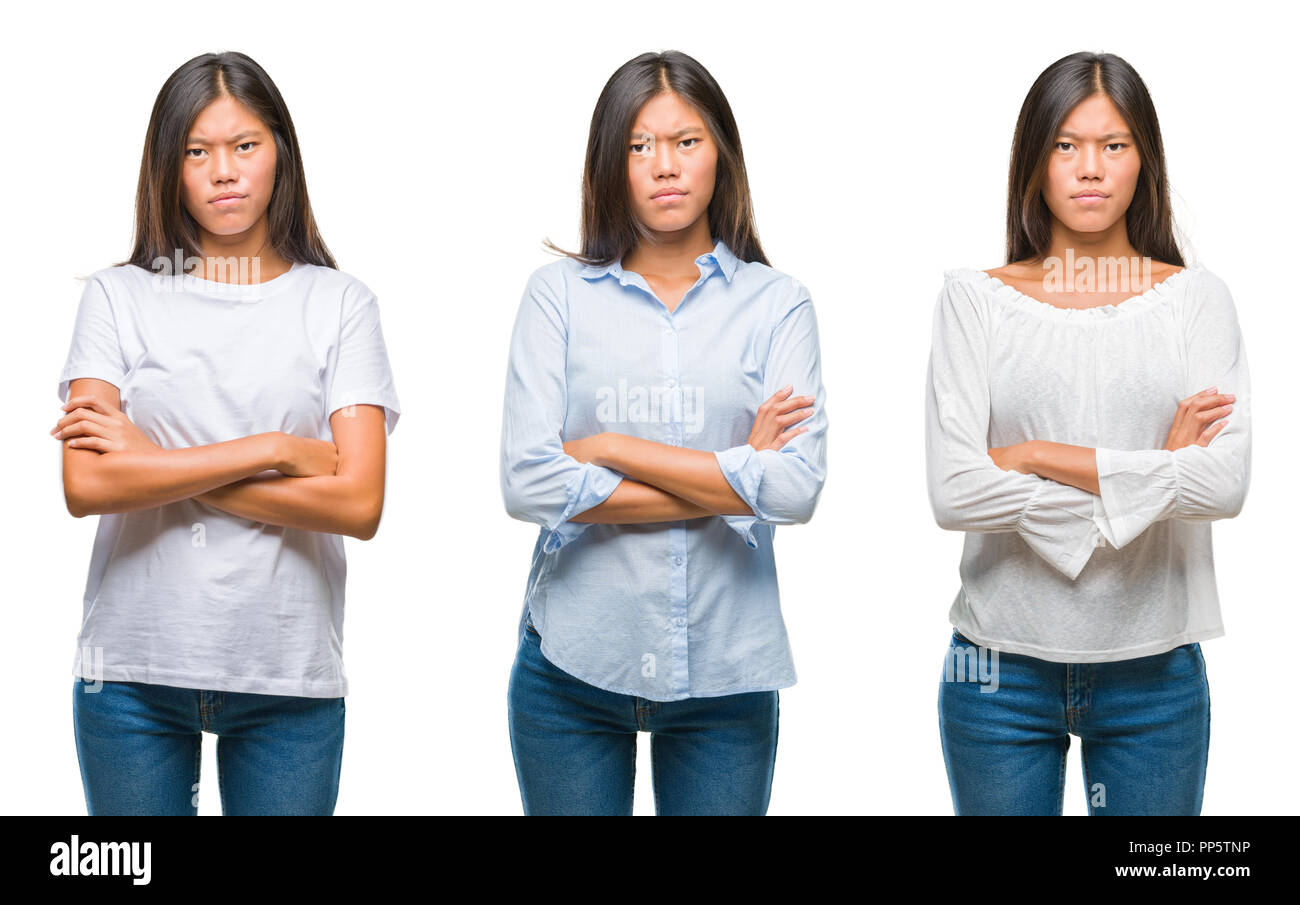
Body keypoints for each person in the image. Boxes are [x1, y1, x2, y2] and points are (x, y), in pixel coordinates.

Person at [53, 51, 400, 815]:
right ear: (169, 168)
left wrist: (156, 462)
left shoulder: (339, 303)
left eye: (245, 145)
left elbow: (359, 503)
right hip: (134, 676)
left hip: (287, 679)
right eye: (197, 151)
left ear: (281, 151)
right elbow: (86, 486)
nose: (224, 171)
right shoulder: (119, 297)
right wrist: (278, 449)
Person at [500, 50, 828, 815]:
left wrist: (610, 448)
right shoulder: (558, 297)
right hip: (572, 673)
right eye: (639, 146)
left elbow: (797, 487)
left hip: (726, 678)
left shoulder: (778, 304)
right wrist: (733, 474)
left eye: (686, 141)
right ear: (611, 165)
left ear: (722, 152)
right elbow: (528, 481)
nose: (664, 166)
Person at [926, 51, 1251, 815]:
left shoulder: (1196, 301)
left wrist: (1034, 456)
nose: (1090, 169)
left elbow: (1225, 484)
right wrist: (1152, 473)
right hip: (998, 674)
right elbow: (954, 491)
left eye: (1115, 145)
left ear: (1145, 160)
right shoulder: (976, 301)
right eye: (1066, 145)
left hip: (1155, 674)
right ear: (1034, 161)